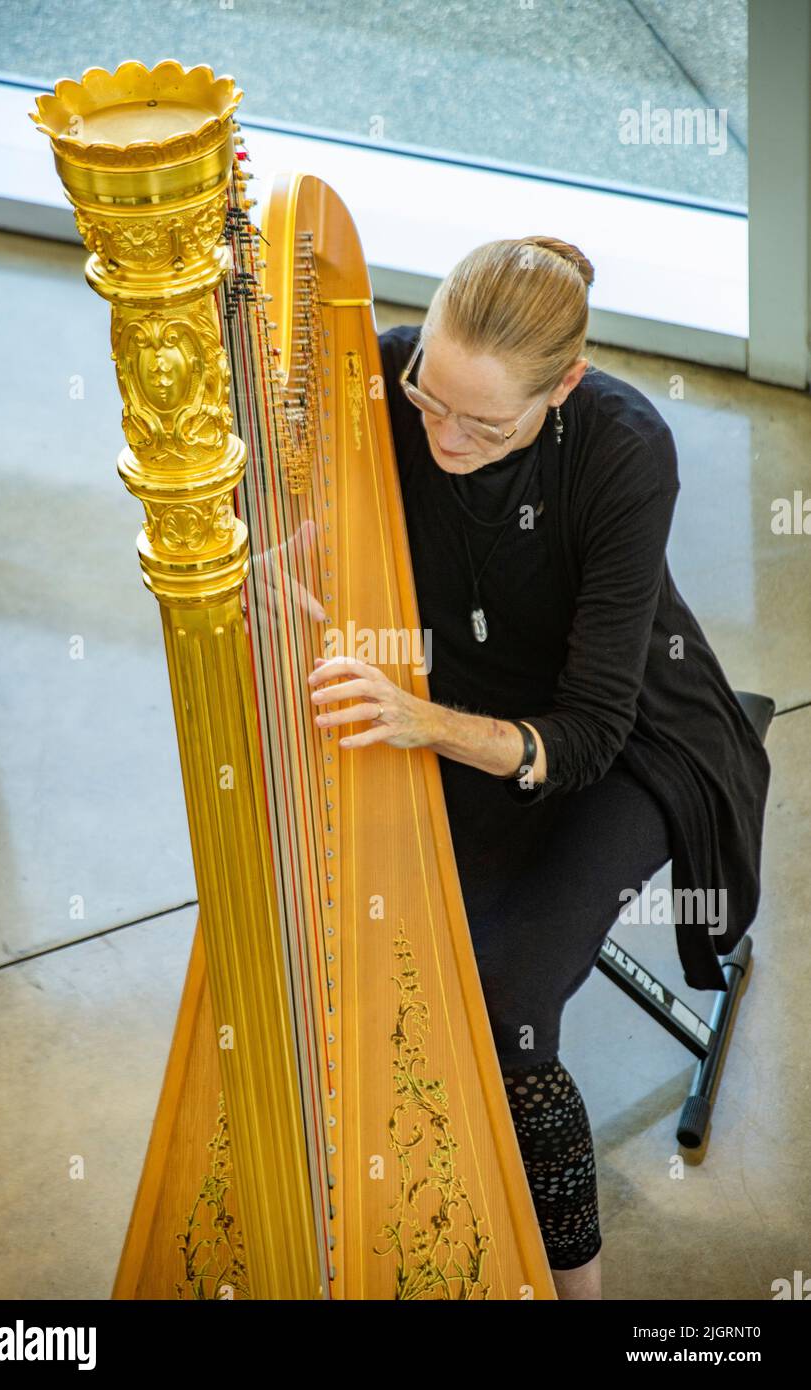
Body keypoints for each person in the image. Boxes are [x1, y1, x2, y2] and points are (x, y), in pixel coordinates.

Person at [307, 235, 770, 1300]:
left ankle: (579, 1293)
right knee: (368, 930)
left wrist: (418, 719)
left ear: (561, 386)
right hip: (456, 704)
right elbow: (331, 519)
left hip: (627, 741)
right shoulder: (385, 372)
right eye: (431, 400)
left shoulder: (620, 447)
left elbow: (587, 734)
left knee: (503, 996)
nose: (445, 435)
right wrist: (287, 563)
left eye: (484, 422)